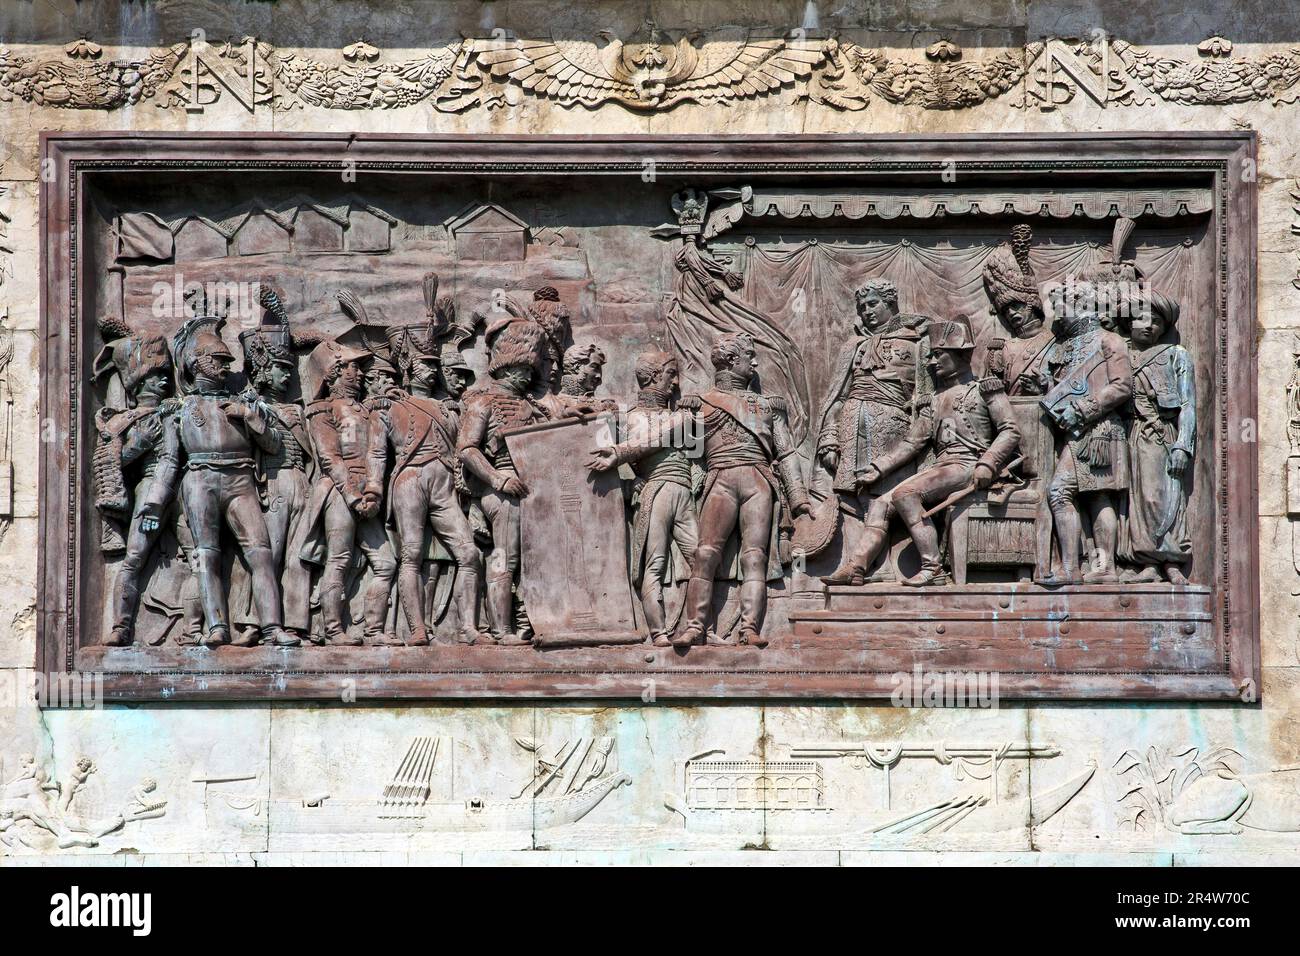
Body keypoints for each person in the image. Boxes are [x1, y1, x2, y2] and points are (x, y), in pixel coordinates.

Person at [822, 316, 1021, 586]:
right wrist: (880, 467)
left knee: (906, 494)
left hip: (969, 465)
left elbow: (1010, 430)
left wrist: (988, 463)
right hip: (942, 467)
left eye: (938, 355)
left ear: (958, 354)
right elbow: (912, 443)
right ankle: (857, 567)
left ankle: (933, 567)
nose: (931, 361)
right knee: (880, 504)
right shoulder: (935, 400)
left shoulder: (985, 390)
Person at [677, 333, 810, 648]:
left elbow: (786, 452)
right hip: (719, 477)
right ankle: (695, 626)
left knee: (755, 557)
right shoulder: (703, 401)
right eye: (749, 355)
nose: (755, 361)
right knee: (705, 553)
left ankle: (749, 628)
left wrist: (799, 499)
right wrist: (689, 416)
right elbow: (689, 451)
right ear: (730, 360)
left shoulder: (767, 405)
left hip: (758, 480)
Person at [587, 351, 699, 645]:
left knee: (701, 560)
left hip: (685, 493)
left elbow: (699, 461)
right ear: (653, 376)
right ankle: (658, 632)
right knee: (654, 563)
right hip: (655, 490)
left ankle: (701, 628)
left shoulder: (683, 417)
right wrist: (632, 481)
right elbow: (608, 464)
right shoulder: (626, 418)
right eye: (670, 374)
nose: (675, 382)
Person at [1118, 292, 1195, 583]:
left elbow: (1187, 404)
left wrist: (1183, 446)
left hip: (1162, 435)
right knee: (1136, 499)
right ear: (1129, 323)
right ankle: (1147, 563)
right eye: (1141, 318)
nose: (1148, 325)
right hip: (1130, 435)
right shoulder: (1118, 355)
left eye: (1156, 321)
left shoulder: (1176, 355)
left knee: (1164, 496)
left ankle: (1172, 561)